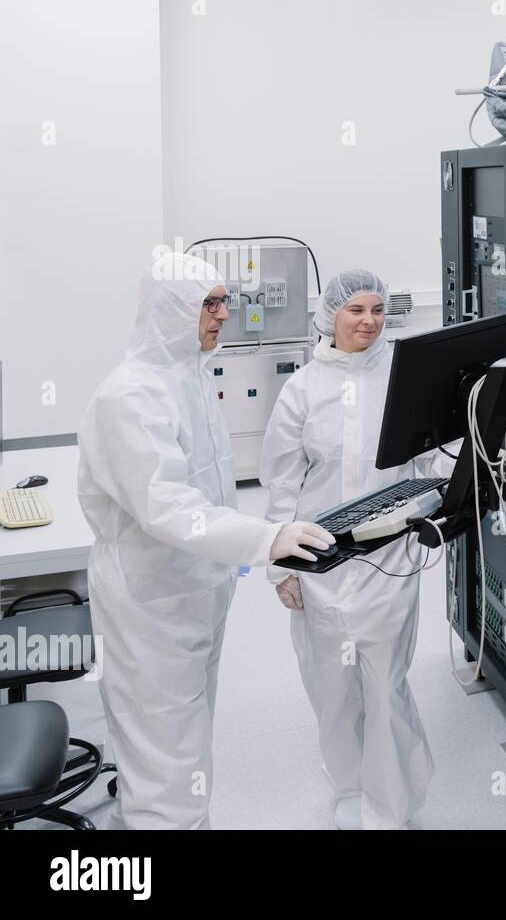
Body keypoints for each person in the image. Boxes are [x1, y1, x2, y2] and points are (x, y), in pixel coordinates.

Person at [78, 251, 335, 829]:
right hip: (152, 604)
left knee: (182, 739)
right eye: (209, 304)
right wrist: (268, 538)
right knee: (163, 755)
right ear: (170, 312)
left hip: (193, 593)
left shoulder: (188, 374)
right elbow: (169, 507)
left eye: (225, 301)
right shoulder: (131, 397)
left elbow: (213, 482)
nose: (223, 314)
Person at [260, 270, 437, 830]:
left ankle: (389, 806)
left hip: (388, 554)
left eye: (378, 311)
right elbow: (282, 483)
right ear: (330, 316)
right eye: (355, 310)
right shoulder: (303, 390)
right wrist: (279, 570)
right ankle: (349, 788)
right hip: (319, 557)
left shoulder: (405, 378)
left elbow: (430, 460)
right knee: (331, 685)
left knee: (385, 685)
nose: (368, 321)